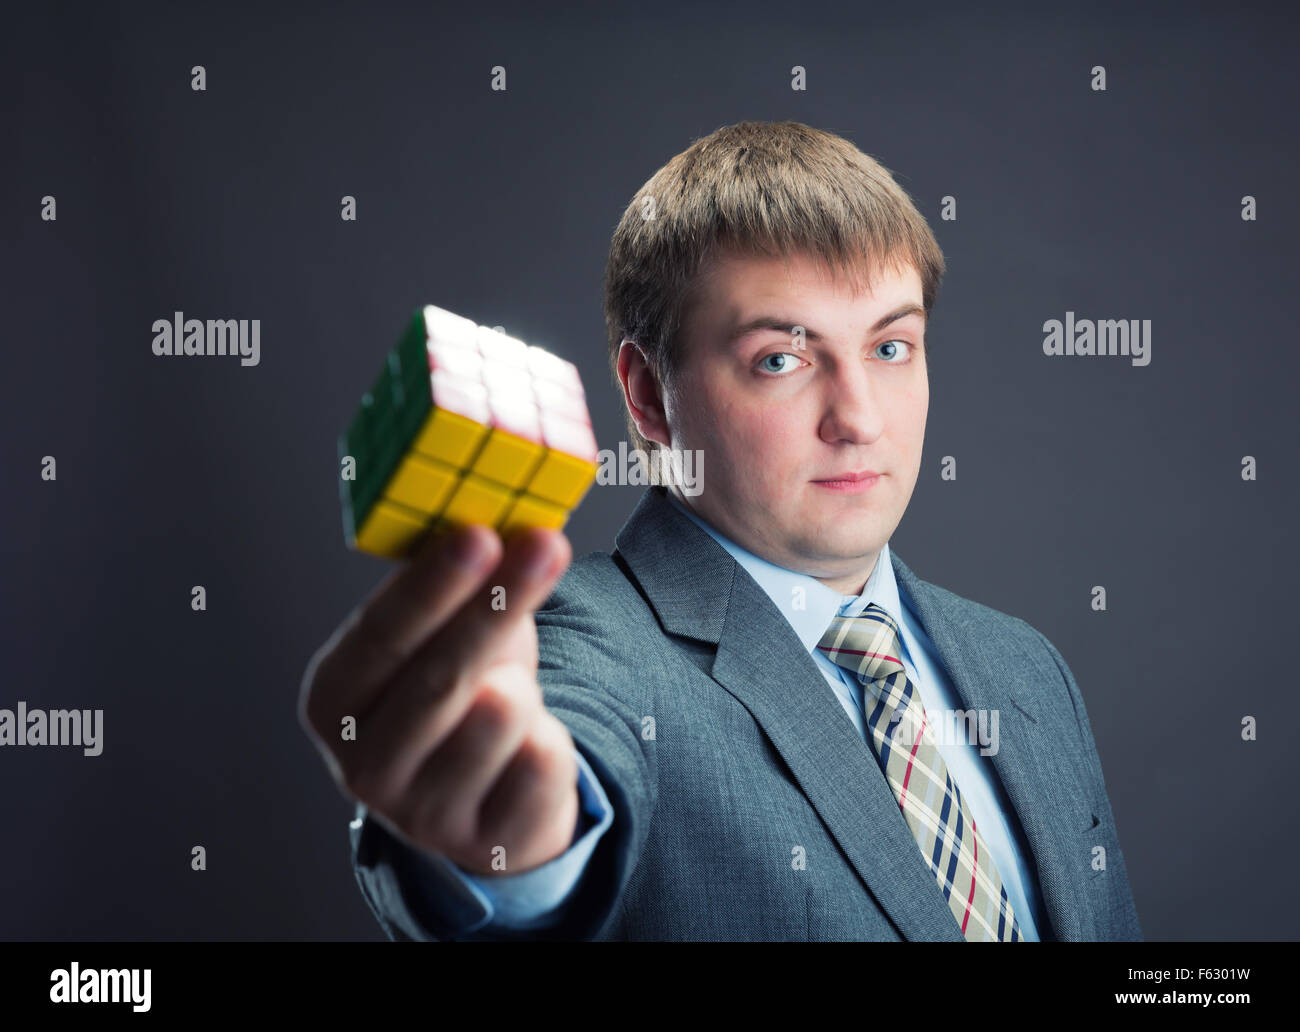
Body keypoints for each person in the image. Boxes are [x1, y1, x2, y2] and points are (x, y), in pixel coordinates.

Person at [299, 119, 1142, 941]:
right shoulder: (583, 642)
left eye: (891, 349)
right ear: (647, 397)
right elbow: (556, 772)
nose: (858, 420)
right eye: (782, 358)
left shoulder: (1028, 670)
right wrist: (513, 856)